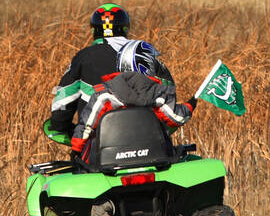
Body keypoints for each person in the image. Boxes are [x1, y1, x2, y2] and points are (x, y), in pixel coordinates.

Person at [68, 39, 197, 168]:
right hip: (155, 159)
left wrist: (76, 150)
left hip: (109, 164)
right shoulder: (159, 94)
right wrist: (191, 104)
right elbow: (176, 118)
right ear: (147, 63)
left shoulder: (104, 95)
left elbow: (86, 125)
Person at [46, 4, 133, 142]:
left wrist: (60, 125)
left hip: (97, 142)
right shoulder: (145, 53)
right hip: (146, 139)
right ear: (125, 28)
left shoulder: (84, 57)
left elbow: (63, 98)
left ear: (93, 29)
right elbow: (167, 92)